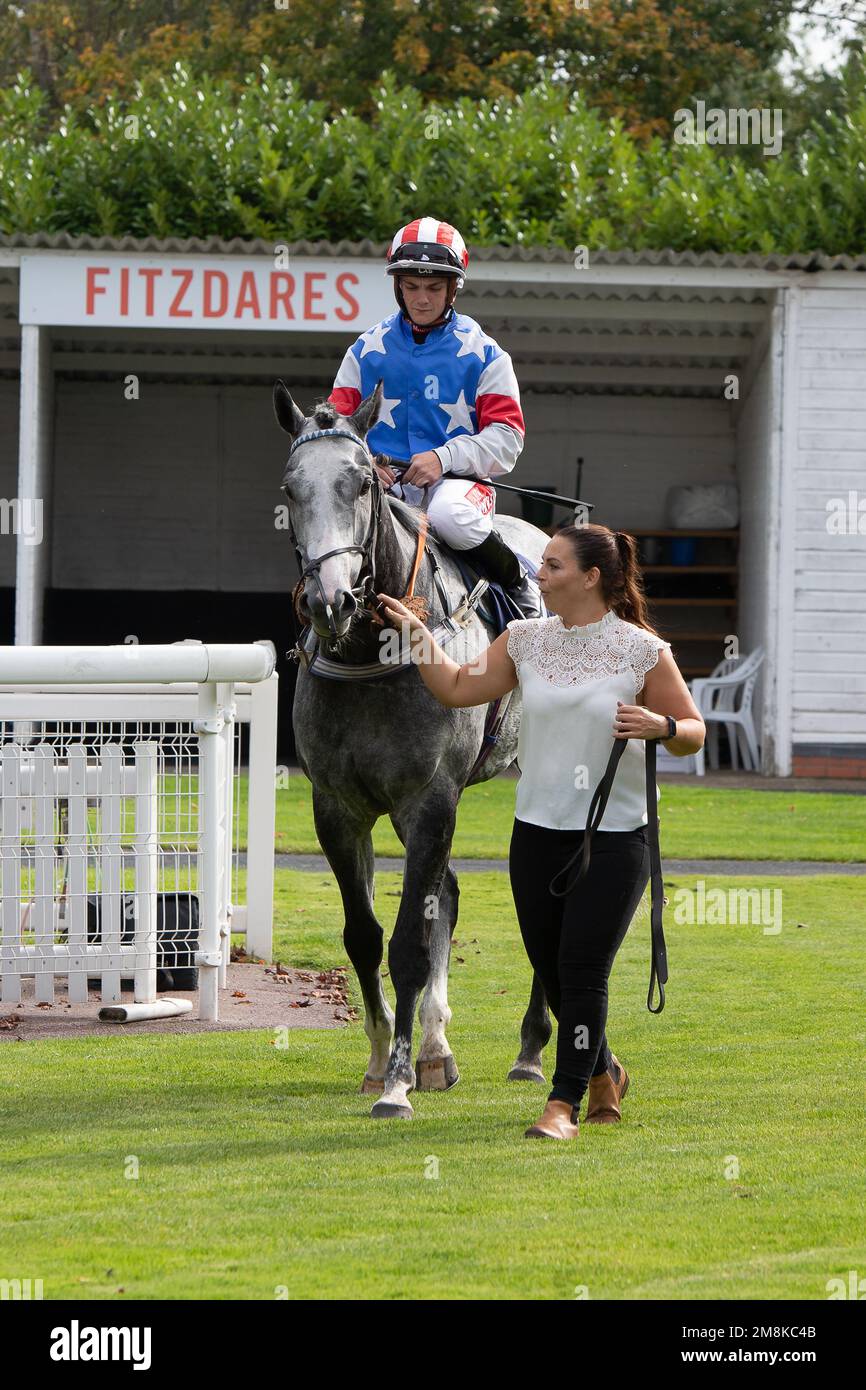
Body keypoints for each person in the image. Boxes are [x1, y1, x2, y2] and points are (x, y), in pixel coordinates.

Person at [376, 522, 705, 1141]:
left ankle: (562, 1102)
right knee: (552, 972)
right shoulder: (524, 639)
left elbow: (694, 730)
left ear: (591, 578)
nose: (538, 575)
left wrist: (660, 725)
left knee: (582, 972)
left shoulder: (642, 650)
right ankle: (605, 1069)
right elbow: (454, 688)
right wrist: (419, 638)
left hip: (614, 837)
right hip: (535, 835)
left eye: (552, 566)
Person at [328, 216, 543, 619]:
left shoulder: (486, 354)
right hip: (381, 487)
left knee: (449, 516)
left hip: (459, 486)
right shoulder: (363, 350)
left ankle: (517, 584)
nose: (421, 299)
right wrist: (367, 462)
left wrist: (443, 458)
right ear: (397, 287)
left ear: (452, 289)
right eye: (411, 287)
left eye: (433, 288)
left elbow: (508, 439)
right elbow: (337, 428)